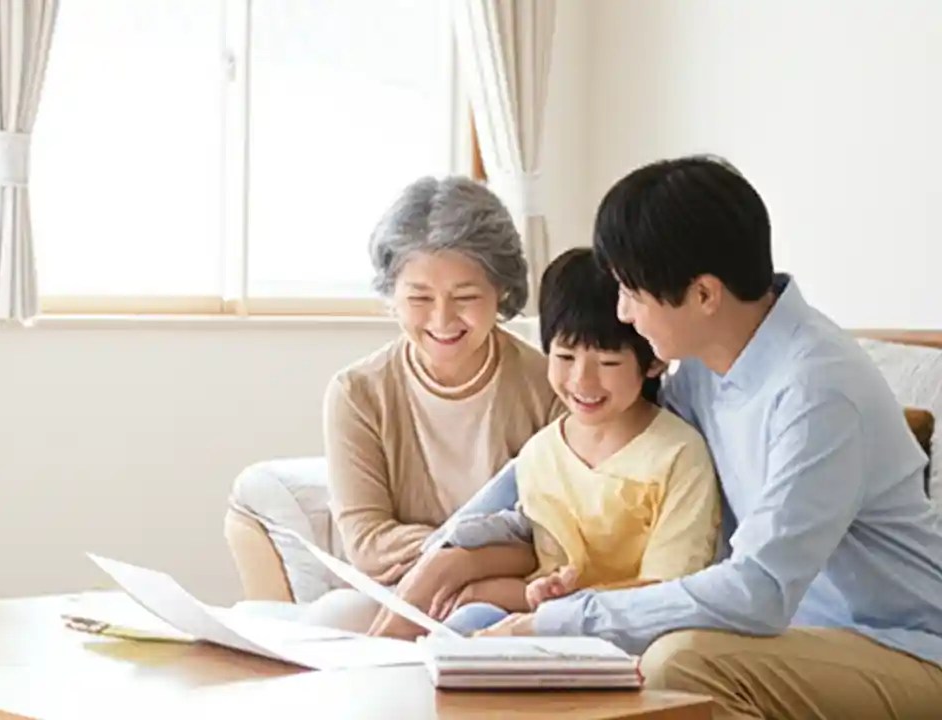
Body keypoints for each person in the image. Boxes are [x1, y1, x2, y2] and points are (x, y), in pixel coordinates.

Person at [479, 155, 942, 718]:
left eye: (632, 293)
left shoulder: (817, 390)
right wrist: (448, 549)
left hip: (905, 647)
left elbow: (758, 591)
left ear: (703, 295)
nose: (622, 313)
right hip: (796, 641)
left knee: (678, 661)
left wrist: (569, 618)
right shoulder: (706, 366)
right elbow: (609, 447)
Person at [371, 248, 722, 639]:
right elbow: (544, 579)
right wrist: (506, 594)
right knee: (464, 624)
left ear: (654, 361)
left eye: (608, 363)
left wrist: (551, 607)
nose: (582, 381)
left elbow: (669, 591)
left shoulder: (677, 455)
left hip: (630, 635)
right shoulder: (542, 453)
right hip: (543, 627)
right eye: (565, 357)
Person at [304, 176, 562, 632]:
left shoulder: (552, 386)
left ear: (501, 291)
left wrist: (462, 567)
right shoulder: (358, 394)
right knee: (335, 616)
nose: (442, 319)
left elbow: (554, 539)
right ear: (392, 294)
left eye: (466, 297)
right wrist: (459, 558)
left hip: (516, 594)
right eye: (420, 298)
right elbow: (368, 544)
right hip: (400, 591)